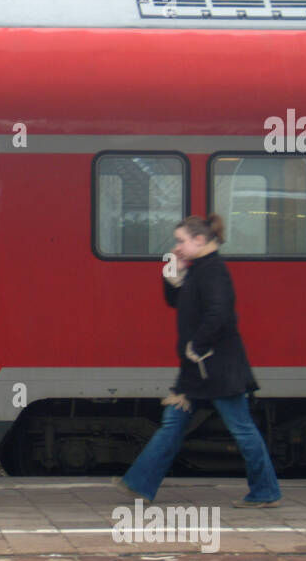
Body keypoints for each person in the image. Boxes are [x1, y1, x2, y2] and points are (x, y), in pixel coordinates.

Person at [113, 214, 283, 508]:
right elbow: (177, 302)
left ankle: (266, 491)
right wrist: (174, 275)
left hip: (217, 368)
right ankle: (139, 483)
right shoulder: (199, 270)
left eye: (181, 241)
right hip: (200, 368)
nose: (177, 247)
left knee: (240, 429)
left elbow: (220, 313)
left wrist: (197, 344)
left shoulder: (213, 271)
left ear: (199, 240)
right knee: (175, 425)